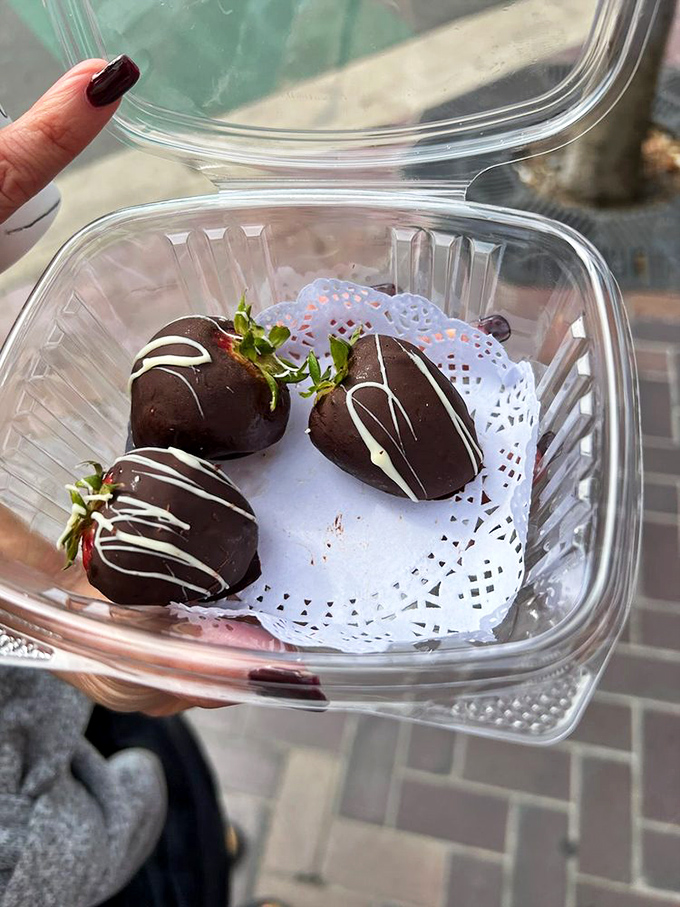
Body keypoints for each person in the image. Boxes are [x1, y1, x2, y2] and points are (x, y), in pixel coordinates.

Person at [0, 57, 288, 907]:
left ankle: (217, 851)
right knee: (175, 840)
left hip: (74, 719)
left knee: (168, 762)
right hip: (83, 838)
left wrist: (54, 599)